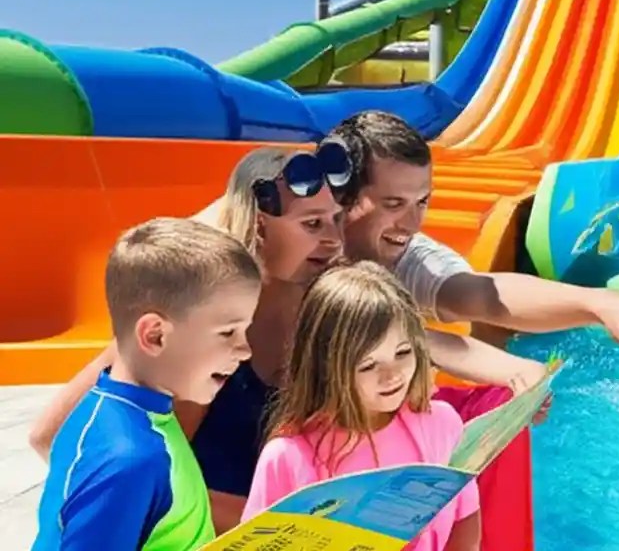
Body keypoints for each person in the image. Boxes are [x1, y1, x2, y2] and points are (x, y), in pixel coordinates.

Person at [29, 144, 542, 533]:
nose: (334, 239)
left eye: (338, 221)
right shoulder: (201, 322)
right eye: (312, 223)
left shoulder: (319, 300)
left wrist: (517, 376)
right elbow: (67, 440)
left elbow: (419, 340)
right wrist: (270, 519)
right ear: (257, 229)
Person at [324, 110, 619, 360]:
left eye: (421, 202)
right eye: (393, 205)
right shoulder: (284, 241)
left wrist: (603, 305)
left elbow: (485, 295)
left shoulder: (405, 257)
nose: (412, 225)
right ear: (341, 194)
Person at [33, 217, 260, 550]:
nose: (245, 350)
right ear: (154, 335)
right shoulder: (129, 458)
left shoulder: (133, 416)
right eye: (228, 332)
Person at [242, 261, 481, 551]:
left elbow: (465, 520)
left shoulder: (441, 423)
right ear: (327, 367)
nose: (392, 375)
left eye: (403, 352)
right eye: (368, 365)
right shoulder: (289, 457)